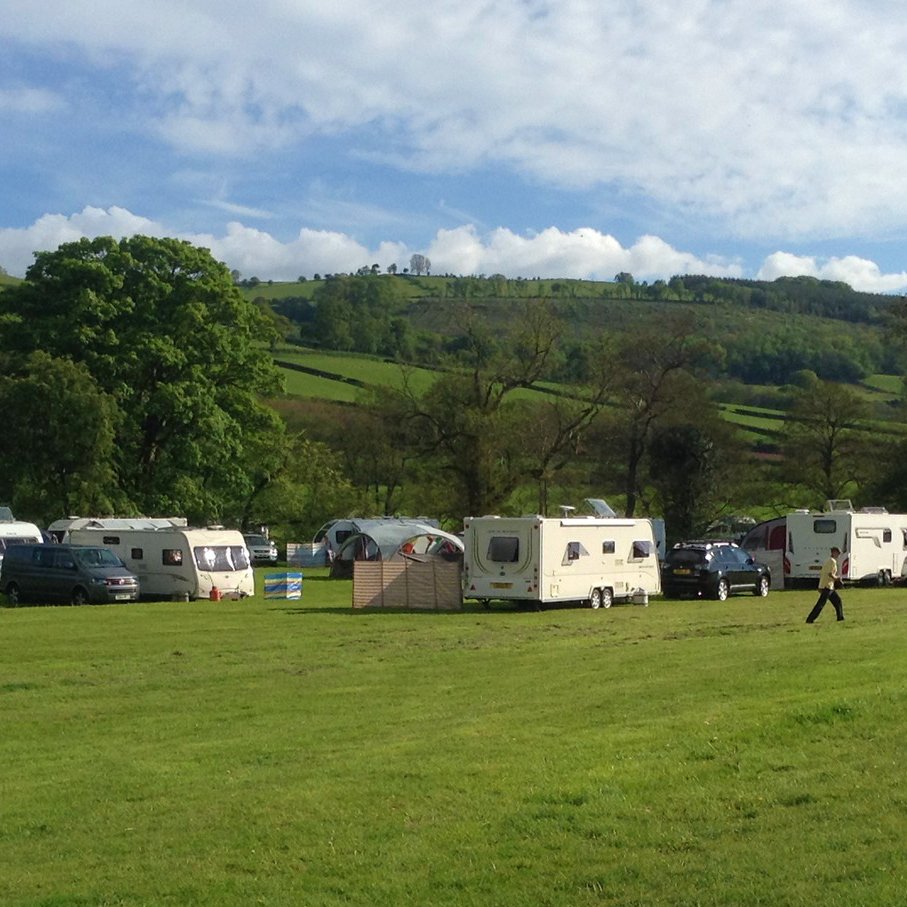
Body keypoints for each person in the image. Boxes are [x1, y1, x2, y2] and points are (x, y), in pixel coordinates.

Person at [805, 546, 845, 623]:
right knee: (821, 604)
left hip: (828, 585)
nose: (839, 555)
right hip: (827, 586)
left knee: (838, 601)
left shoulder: (829, 561)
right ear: (833, 553)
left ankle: (840, 617)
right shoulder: (832, 561)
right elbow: (830, 574)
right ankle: (810, 619)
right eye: (837, 553)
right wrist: (837, 579)